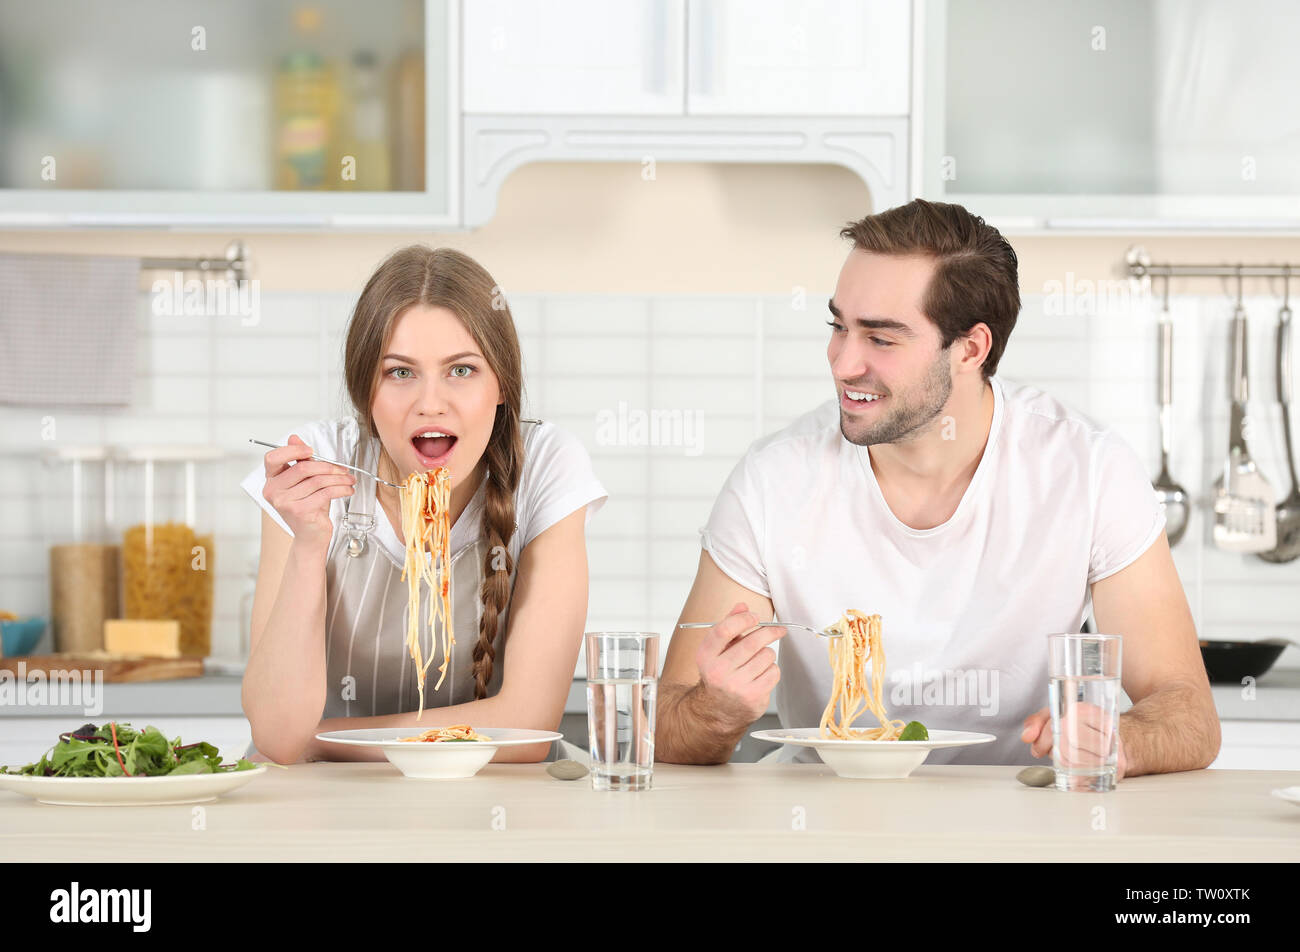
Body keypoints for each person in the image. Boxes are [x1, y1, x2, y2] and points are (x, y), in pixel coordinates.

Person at [656, 198, 1220, 776]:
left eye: (881, 339)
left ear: (971, 349)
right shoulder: (773, 481)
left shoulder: (1088, 472)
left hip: (1020, 817)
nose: (843, 362)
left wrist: (1120, 741)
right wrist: (714, 710)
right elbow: (666, 725)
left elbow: (1189, 715)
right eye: (838, 326)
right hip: (825, 820)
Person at [239, 246, 606, 764]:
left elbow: (526, 726)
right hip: (323, 812)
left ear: (501, 385)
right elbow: (276, 731)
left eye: (461, 370)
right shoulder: (316, 471)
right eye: (400, 373)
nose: (431, 402)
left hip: (496, 810)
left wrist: (317, 739)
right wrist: (308, 544)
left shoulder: (546, 465)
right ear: (365, 388)